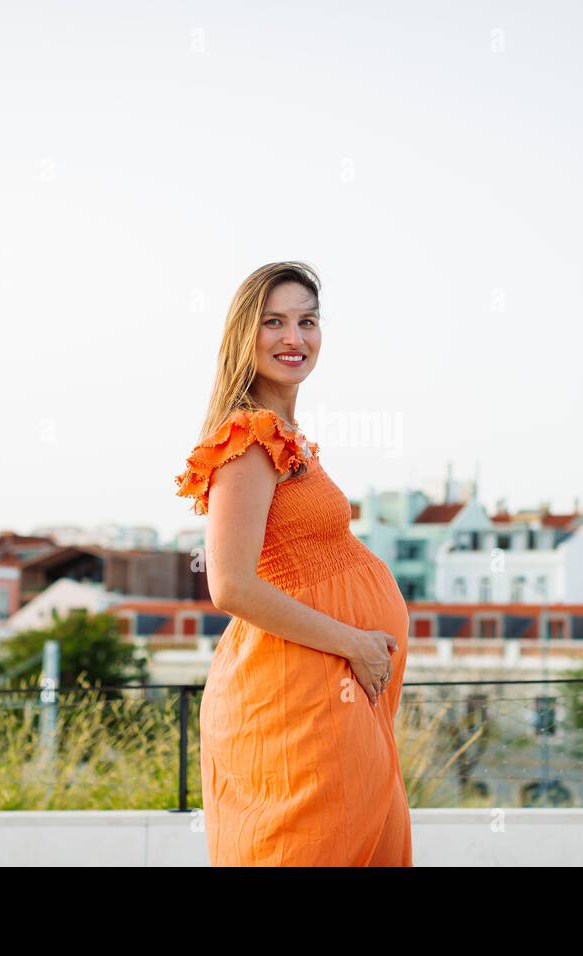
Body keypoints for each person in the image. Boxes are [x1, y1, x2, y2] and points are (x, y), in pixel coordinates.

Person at [174, 261, 412, 866]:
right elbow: (229, 585)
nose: (294, 338)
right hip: (297, 695)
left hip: (334, 691)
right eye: (274, 321)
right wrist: (354, 643)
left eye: (307, 321)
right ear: (244, 335)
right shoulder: (247, 439)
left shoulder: (286, 433)